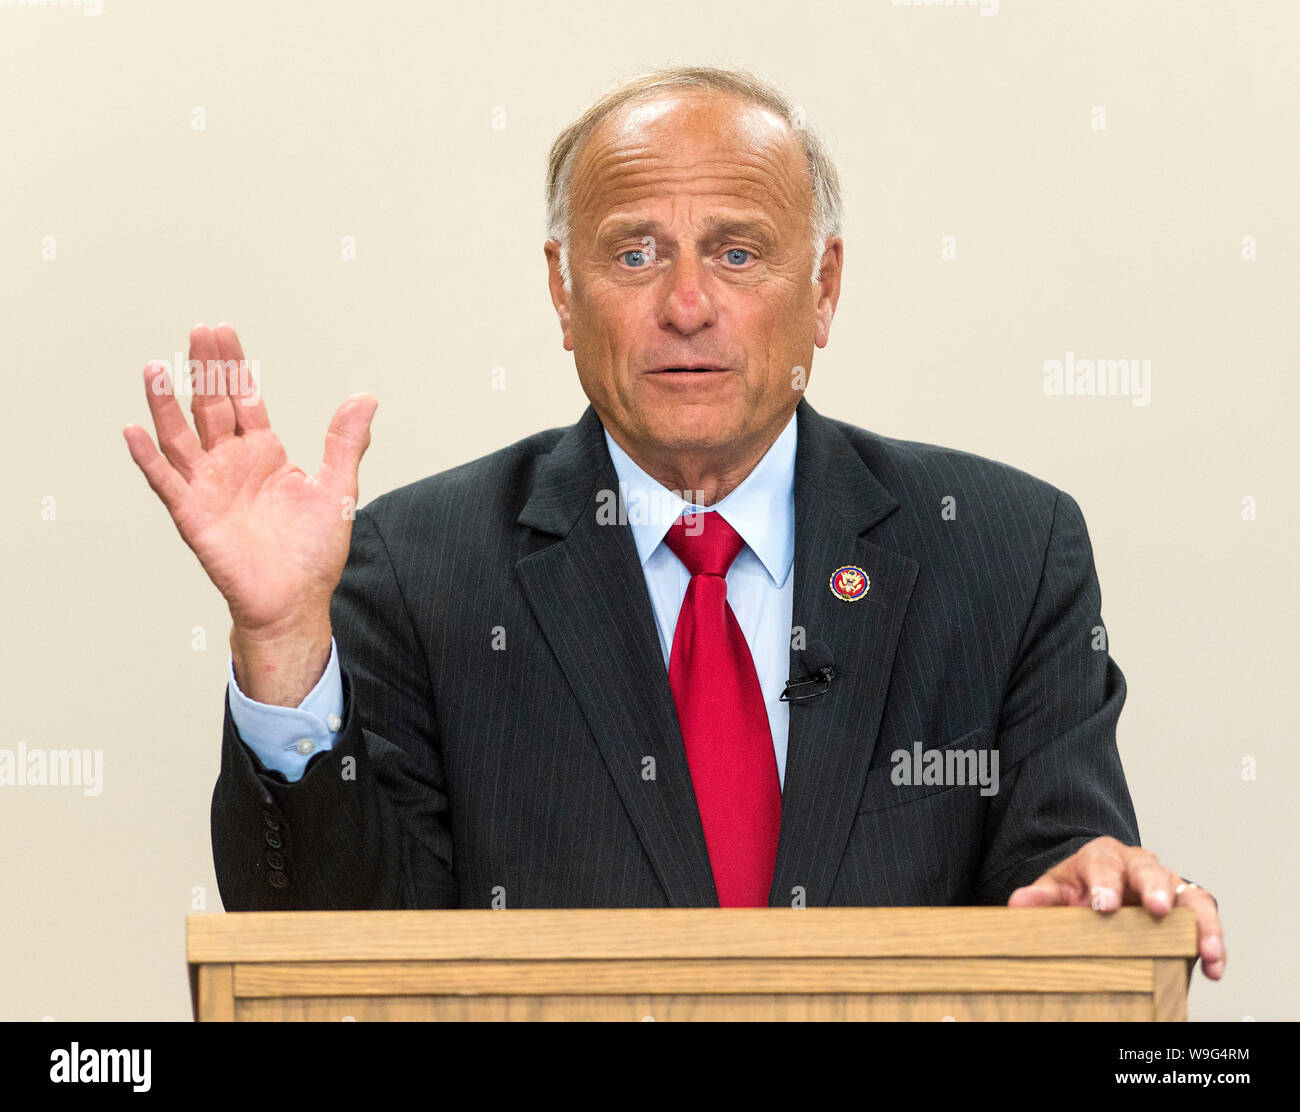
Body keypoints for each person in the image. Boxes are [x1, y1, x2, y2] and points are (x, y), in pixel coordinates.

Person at [124, 66, 1224, 979]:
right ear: (563, 290)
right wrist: (280, 645)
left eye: (737, 252)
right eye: (635, 252)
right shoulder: (418, 566)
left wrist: (1096, 884)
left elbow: (1057, 865)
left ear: (825, 287)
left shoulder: (1003, 550)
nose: (686, 303)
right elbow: (333, 953)